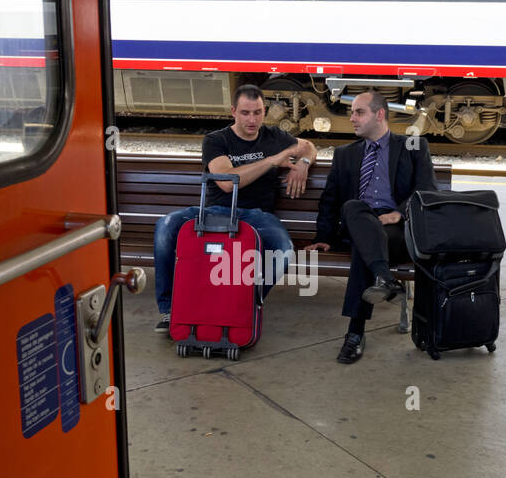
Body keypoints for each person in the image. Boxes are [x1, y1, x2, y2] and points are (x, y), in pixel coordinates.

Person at [153, 85, 317, 331]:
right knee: (165, 226)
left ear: (264, 112)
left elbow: (308, 146)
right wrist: (272, 160)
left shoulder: (275, 137)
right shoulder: (216, 140)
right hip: (215, 212)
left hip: (257, 218)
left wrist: (303, 163)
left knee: (283, 251)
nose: (252, 120)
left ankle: (244, 305)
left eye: (258, 112)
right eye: (245, 113)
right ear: (233, 112)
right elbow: (227, 181)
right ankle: (169, 309)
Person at [305, 90, 438, 363]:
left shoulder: (412, 146)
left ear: (379, 115)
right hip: (357, 222)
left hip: (395, 231)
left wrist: (398, 214)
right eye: (352, 112)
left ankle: (355, 333)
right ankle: (384, 280)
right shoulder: (345, 154)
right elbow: (330, 201)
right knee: (353, 208)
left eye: (358, 112)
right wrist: (324, 237)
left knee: (363, 246)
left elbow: (426, 190)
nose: (351, 118)